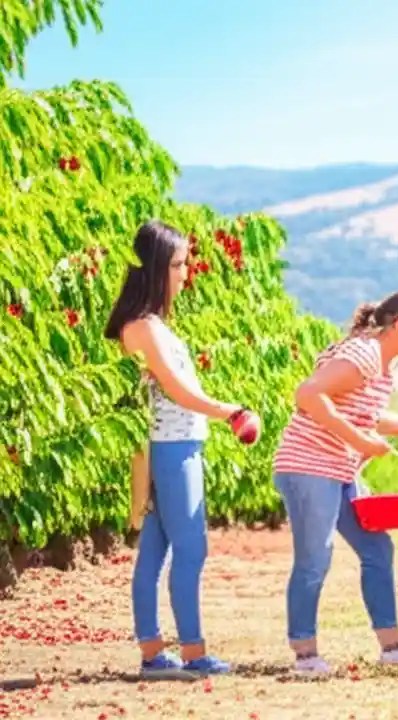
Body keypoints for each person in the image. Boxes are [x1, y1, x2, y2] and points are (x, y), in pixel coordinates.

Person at [271, 290, 398, 676]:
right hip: (309, 465)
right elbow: (307, 394)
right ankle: (305, 655)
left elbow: (370, 417)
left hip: (339, 469)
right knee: (315, 558)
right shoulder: (365, 353)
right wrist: (358, 442)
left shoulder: (380, 364)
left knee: (376, 548)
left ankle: (393, 648)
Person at [105, 220, 259, 678]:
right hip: (172, 449)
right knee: (191, 549)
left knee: (156, 552)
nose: (185, 273)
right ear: (155, 270)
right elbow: (176, 389)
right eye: (177, 264)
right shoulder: (143, 329)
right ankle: (192, 653)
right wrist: (230, 411)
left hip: (179, 445)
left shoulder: (153, 326)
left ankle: (154, 653)